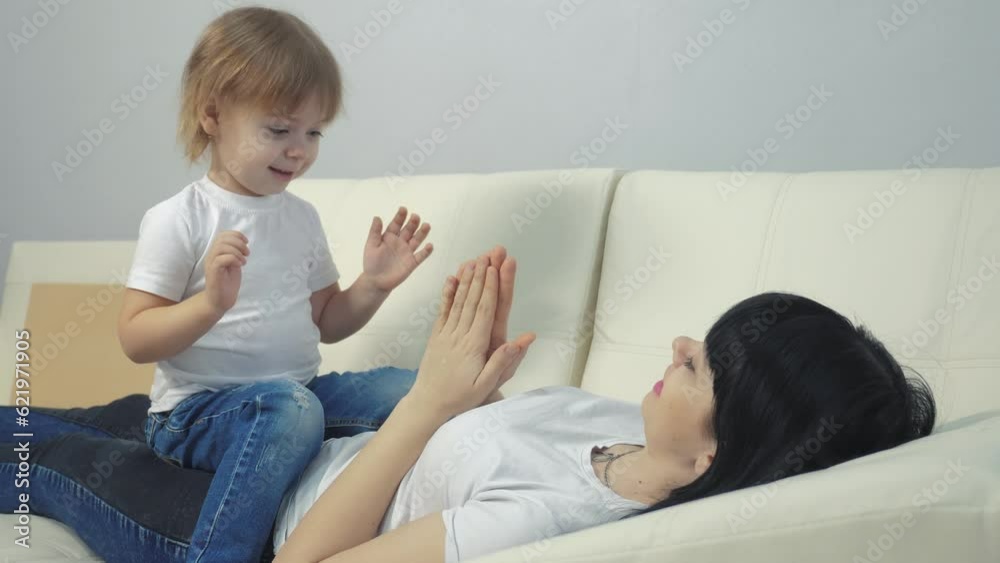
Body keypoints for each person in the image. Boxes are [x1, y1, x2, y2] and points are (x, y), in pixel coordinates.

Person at [1, 247, 935, 562]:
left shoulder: (551, 523)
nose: (682, 347)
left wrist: (429, 405)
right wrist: (461, 394)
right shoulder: (622, 426)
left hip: (248, 514)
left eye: (704, 370)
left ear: (712, 460)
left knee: (32, 455)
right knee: (107, 408)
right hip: (295, 442)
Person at [114, 7, 445, 562]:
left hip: (299, 397)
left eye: (313, 131)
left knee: (419, 389)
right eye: (279, 129)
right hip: (197, 414)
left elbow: (328, 321)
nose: (300, 149)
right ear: (213, 114)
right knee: (290, 410)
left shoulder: (301, 218)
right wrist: (210, 305)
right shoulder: (181, 218)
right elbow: (134, 339)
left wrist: (373, 284)